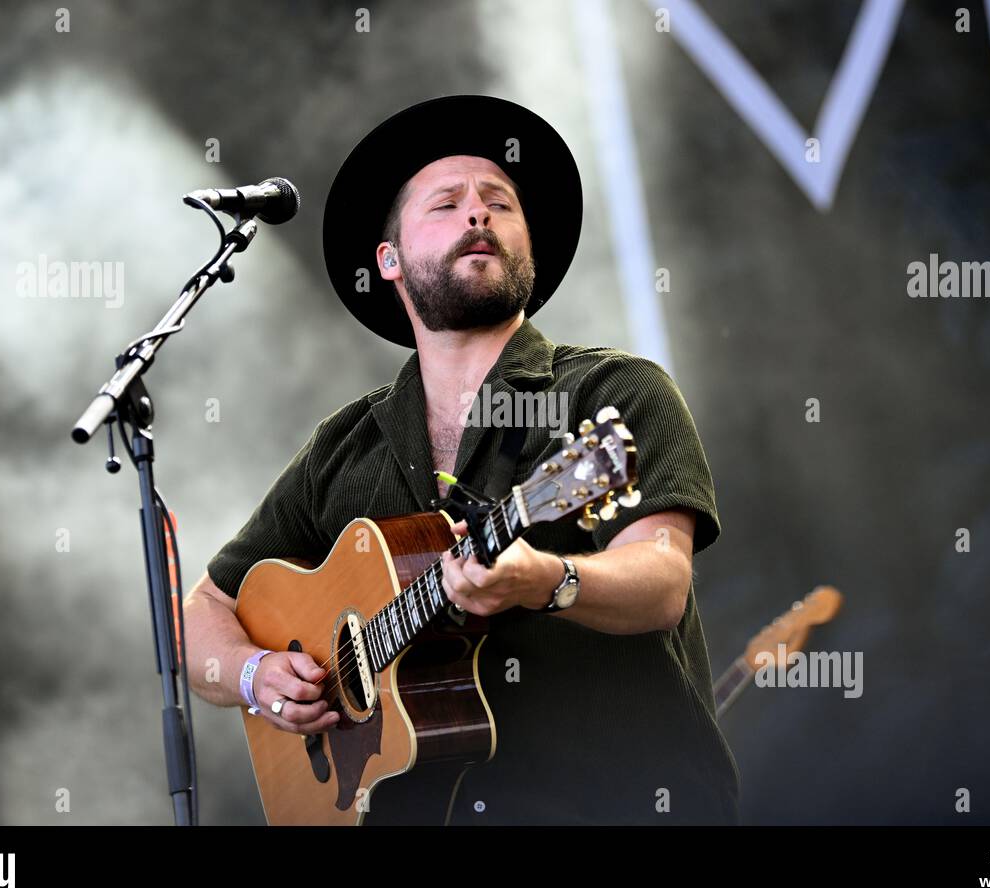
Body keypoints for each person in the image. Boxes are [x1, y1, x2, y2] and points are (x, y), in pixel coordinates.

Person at [184, 94, 740, 825]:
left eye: (500, 204)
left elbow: (663, 580)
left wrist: (546, 579)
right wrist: (257, 677)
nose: (478, 214)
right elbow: (201, 615)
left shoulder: (610, 392)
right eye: (446, 203)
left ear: (527, 247)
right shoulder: (344, 446)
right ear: (388, 261)